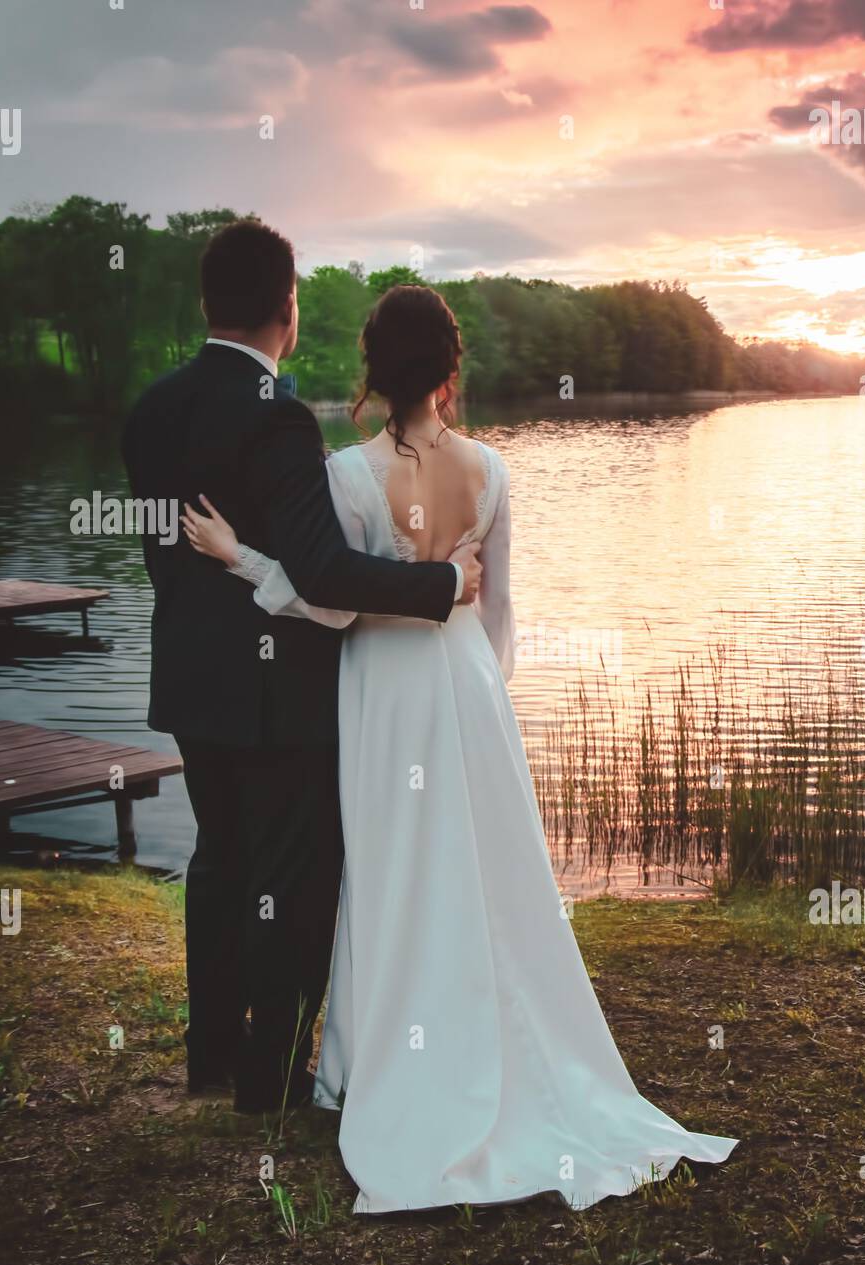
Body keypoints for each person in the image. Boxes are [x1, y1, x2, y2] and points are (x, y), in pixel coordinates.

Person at [181, 282, 738, 1211]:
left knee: (394, 872)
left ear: (372, 370)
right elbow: (504, 611)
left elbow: (331, 600)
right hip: (469, 688)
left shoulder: (349, 472)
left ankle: (380, 1059)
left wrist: (240, 557)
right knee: (486, 873)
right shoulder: (493, 471)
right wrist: (481, 694)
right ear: (450, 368)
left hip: (386, 693)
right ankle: (506, 1052)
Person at [122, 221, 482, 1113]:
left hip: (192, 682)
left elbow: (164, 554)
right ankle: (271, 1078)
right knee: (294, 879)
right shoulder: (277, 418)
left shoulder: (151, 409)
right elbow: (323, 573)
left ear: (208, 303)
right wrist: (441, 582)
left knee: (218, 863)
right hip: (279, 692)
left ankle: (209, 1061)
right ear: (286, 307)